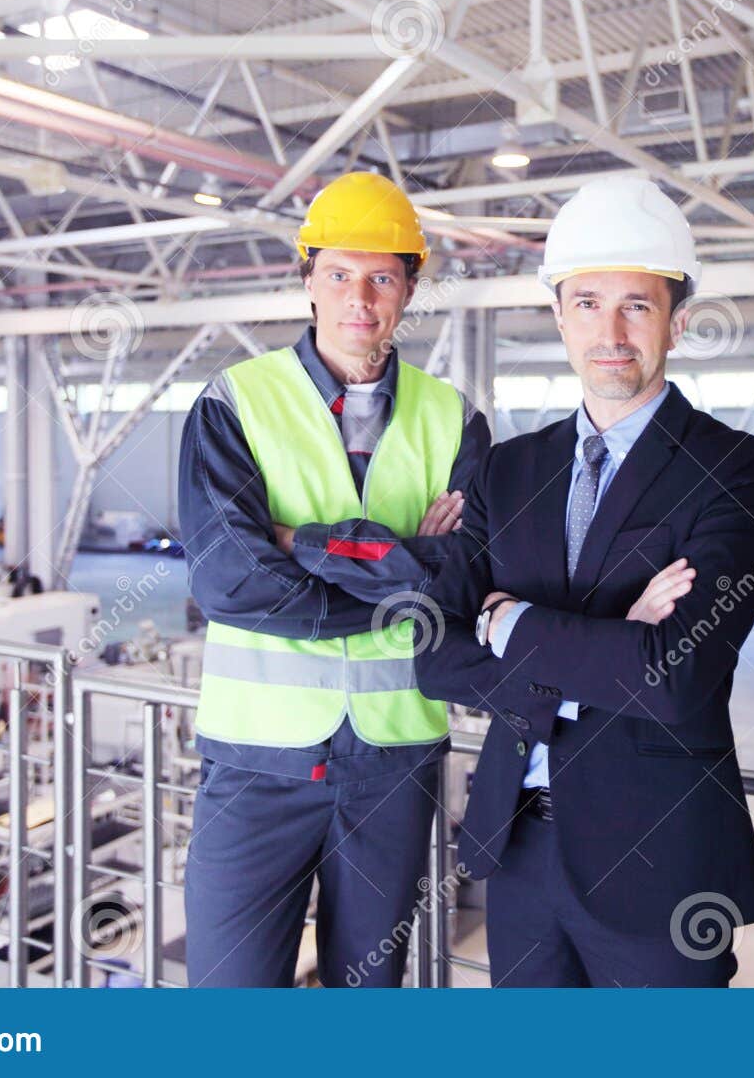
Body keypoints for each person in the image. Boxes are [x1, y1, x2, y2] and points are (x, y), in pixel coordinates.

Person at [414, 175, 754, 987]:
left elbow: (679, 676)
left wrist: (509, 623)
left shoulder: (737, 472)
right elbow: (435, 650)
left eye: (637, 305)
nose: (610, 331)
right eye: (586, 304)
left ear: (677, 321)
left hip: (659, 865)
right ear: (557, 315)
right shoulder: (508, 470)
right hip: (517, 849)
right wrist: (617, 637)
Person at [179, 171, 490, 987]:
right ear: (308, 280)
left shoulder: (455, 418)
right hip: (257, 761)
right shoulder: (233, 404)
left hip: (393, 758)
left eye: (383, 276)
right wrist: (397, 574)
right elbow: (230, 583)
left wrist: (298, 540)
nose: (361, 298)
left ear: (409, 289)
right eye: (341, 274)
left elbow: (459, 585)